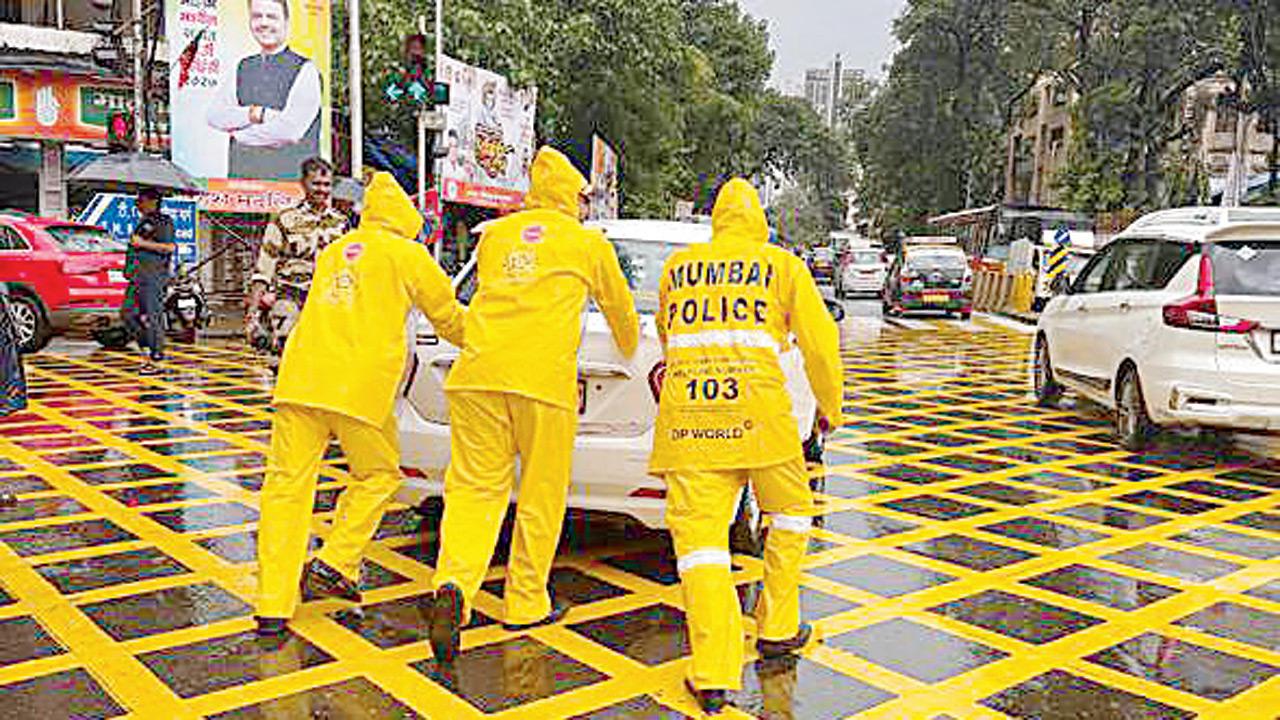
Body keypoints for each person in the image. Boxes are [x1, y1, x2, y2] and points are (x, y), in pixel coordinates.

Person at [426, 147, 639, 662]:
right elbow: (620, 311)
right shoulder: (587, 245)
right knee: (540, 496)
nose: (587, 208)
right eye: (583, 198)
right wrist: (629, 349)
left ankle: (453, 584)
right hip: (542, 383)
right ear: (570, 195)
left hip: (476, 375)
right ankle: (524, 601)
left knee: (474, 492)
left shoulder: (496, 237)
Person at [649, 178, 843, 714]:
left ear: (715, 220)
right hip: (761, 419)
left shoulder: (678, 269)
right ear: (758, 221)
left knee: (701, 546)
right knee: (792, 515)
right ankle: (778, 627)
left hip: (691, 421)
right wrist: (832, 405)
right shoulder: (781, 266)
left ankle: (712, 673)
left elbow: (670, 337)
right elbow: (821, 346)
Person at [254, 172, 466, 637]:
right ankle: (335, 560)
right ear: (406, 217)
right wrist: (494, 341)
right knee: (379, 475)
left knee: (285, 490)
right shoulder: (408, 255)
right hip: (357, 388)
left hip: (301, 379)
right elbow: (449, 316)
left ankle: (272, 605)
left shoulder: (336, 249)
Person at [245, 157, 348, 369]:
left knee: (326, 363)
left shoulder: (341, 223)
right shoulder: (284, 219)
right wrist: (252, 313)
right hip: (290, 297)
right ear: (303, 183)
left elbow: (349, 267)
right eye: (316, 183)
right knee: (284, 360)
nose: (322, 189)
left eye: (326, 184)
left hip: (328, 300)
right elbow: (264, 267)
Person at [206, 0, 322, 179]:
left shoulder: (305, 69)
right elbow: (215, 115)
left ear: (286, 22)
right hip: (242, 184)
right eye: (257, 16)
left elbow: (290, 131)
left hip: (289, 184)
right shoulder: (242, 66)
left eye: (272, 17)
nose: (264, 23)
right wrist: (257, 114)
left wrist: (239, 135)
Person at [122, 188, 176, 375]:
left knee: (154, 317)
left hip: (154, 277)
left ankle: (156, 358)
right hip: (137, 277)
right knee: (128, 314)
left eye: (141, 200)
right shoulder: (143, 222)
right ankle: (148, 345)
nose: (138, 203)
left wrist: (142, 243)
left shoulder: (163, 222)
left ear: (154, 201)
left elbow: (169, 247)